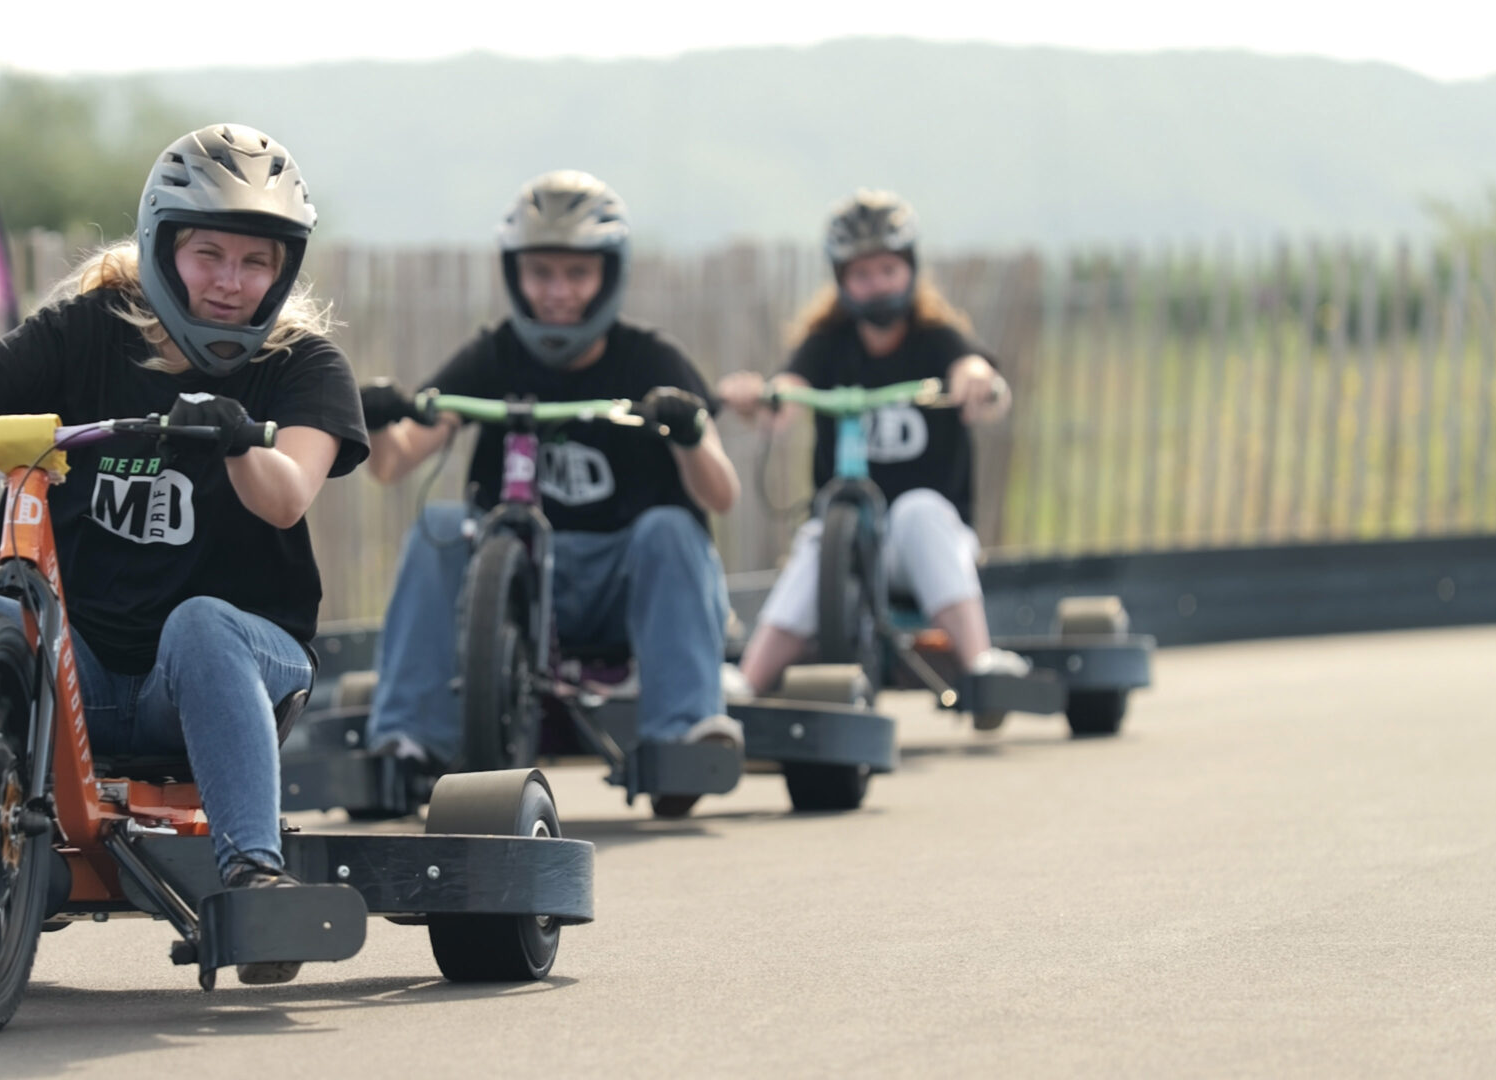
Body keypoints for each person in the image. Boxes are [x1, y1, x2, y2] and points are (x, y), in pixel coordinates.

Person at [0, 124, 368, 985]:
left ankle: (252, 877)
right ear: (163, 247)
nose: (232, 282)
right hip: (74, 677)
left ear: (284, 270)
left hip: (225, 670)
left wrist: (238, 439)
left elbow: (287, 494)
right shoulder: (93, 332)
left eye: (256, 262)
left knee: (200, 623)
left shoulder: (304, 368)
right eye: (209, 255)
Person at [361, 170, 742, 812]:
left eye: (576, 274)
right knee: (444, 523)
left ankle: (683, 735)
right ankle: (407, 741)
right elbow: (395, 464)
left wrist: (687, 434)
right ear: (516, 276)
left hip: (618, 584)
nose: (558, 292)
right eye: (541, 274)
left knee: (672, 527)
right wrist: (375, 416)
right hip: (510, 583)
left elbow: (723, 494)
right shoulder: (492, 358)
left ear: (607, 276)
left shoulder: (650, 359)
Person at [718, 190, 1027, 724]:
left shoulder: (935, 339)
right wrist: (760, 399)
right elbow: (787, 395)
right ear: (841, 279)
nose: (877, 284)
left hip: (928, 545)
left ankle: (979, 663)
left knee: (917, 509)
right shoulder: (828, 343)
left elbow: (971, 368)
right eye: (862, 274)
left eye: (888, 269)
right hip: (851, 542)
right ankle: (746, 681)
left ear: (911, 270)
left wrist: (976, 380)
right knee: (818, 535)